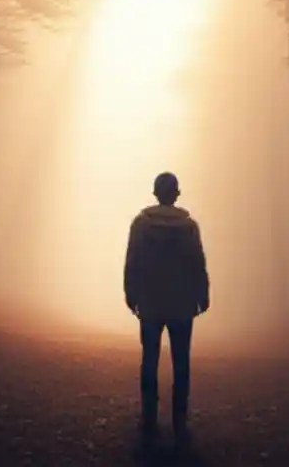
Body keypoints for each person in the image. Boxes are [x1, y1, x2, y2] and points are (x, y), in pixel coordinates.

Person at [124, 172, 210, 446]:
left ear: (155, 193)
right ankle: (179, 419)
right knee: (181, 362)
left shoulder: (141, 225)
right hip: (182, 303)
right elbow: (198, 263)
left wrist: (131, 293)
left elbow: (132, 261)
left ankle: (149, 416)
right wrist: (202, 295)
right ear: (175, 194)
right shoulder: (189, 228)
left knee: (149, 359)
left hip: (150, 301)